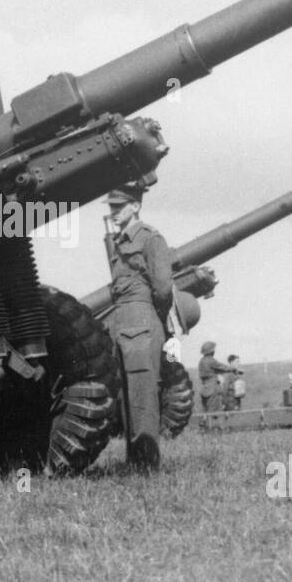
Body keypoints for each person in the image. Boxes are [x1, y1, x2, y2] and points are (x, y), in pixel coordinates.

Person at [102, 183, 174, 470]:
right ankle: (135, 463)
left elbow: (163, 288)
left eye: (119, 206)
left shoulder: (151, 238)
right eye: (112, 207)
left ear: (135, 206)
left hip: (142, 319)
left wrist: (154, 317)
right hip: (122, 320)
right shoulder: (118, 241)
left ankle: (146, 466)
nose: (114, 212)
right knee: (126, 395)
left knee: (143, 392)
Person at [196, 341, 233, 431]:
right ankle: (217, 429)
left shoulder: (202, 361)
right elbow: (222, 367)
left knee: (207, 410)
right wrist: (233, 368)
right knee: (215, 411)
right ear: (211, 351)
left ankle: (206, 428)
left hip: (205, 388)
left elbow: (211, 371)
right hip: (212, 388)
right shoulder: (211, 360)